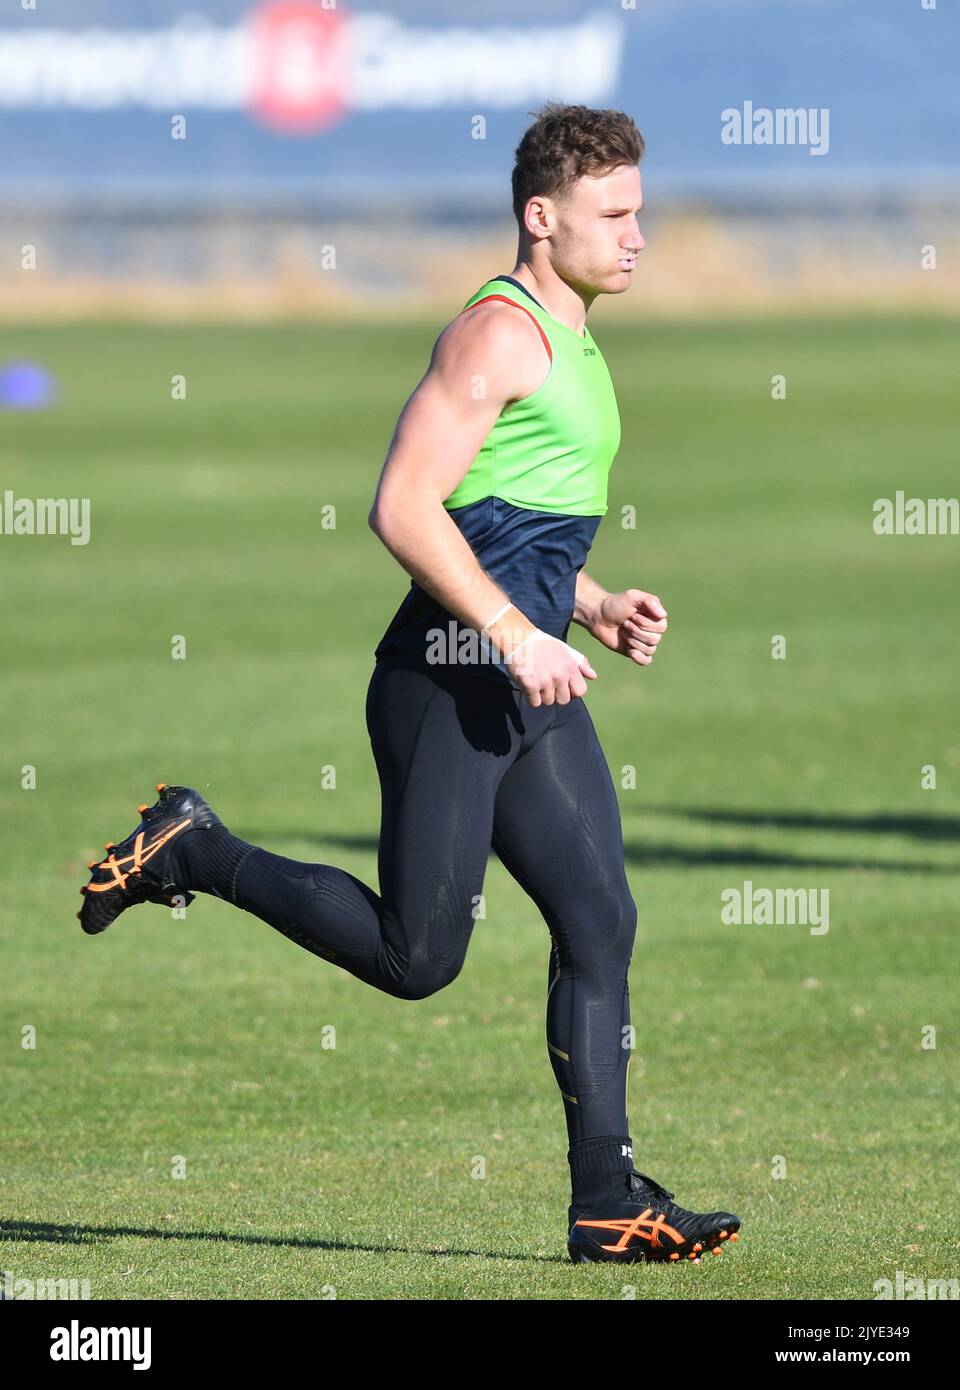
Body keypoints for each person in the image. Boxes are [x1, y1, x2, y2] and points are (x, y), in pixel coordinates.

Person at [78, 103, 740, 1265]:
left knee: (600, 918)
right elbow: (402, 505)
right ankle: (191, 848)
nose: (641, 234)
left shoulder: (577, 338)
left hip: (523, 685)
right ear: (543, 218)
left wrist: (585, 602)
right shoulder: (498, 335)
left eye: (643, 210)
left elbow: (504, 522)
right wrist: (513, 633)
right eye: (616, 213)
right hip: (445, 683)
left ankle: (606, 1203)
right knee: (417, 957)